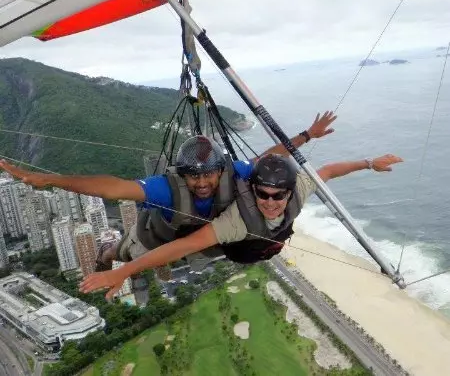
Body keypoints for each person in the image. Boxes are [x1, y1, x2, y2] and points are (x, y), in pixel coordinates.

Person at [0, 111, 337, 271]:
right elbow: (114, 187)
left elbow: (270, 160)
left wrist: (307, 134)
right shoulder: (167, 189)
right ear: (181, 174)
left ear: (222, 170)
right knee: (120, 253)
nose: (202, 183)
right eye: (193, 176)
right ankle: (103, 254)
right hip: (153, 241)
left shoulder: (237, 173)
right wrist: (50, 180)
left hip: (199, 244)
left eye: (209, 175)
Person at [79, 152, 403, 300]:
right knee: (149, 250)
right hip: (221, 246)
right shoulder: (236, 219)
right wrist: (121, 272)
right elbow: (180, 247)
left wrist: (369, 163)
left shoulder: (300, 190)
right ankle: (107, 254)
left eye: (279, 195)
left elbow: (329, 170)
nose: (271, 201)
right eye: (262, 193)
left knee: (174, 254)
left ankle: (126, 259)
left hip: (259, 247)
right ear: (253, 188)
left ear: (291, 190)